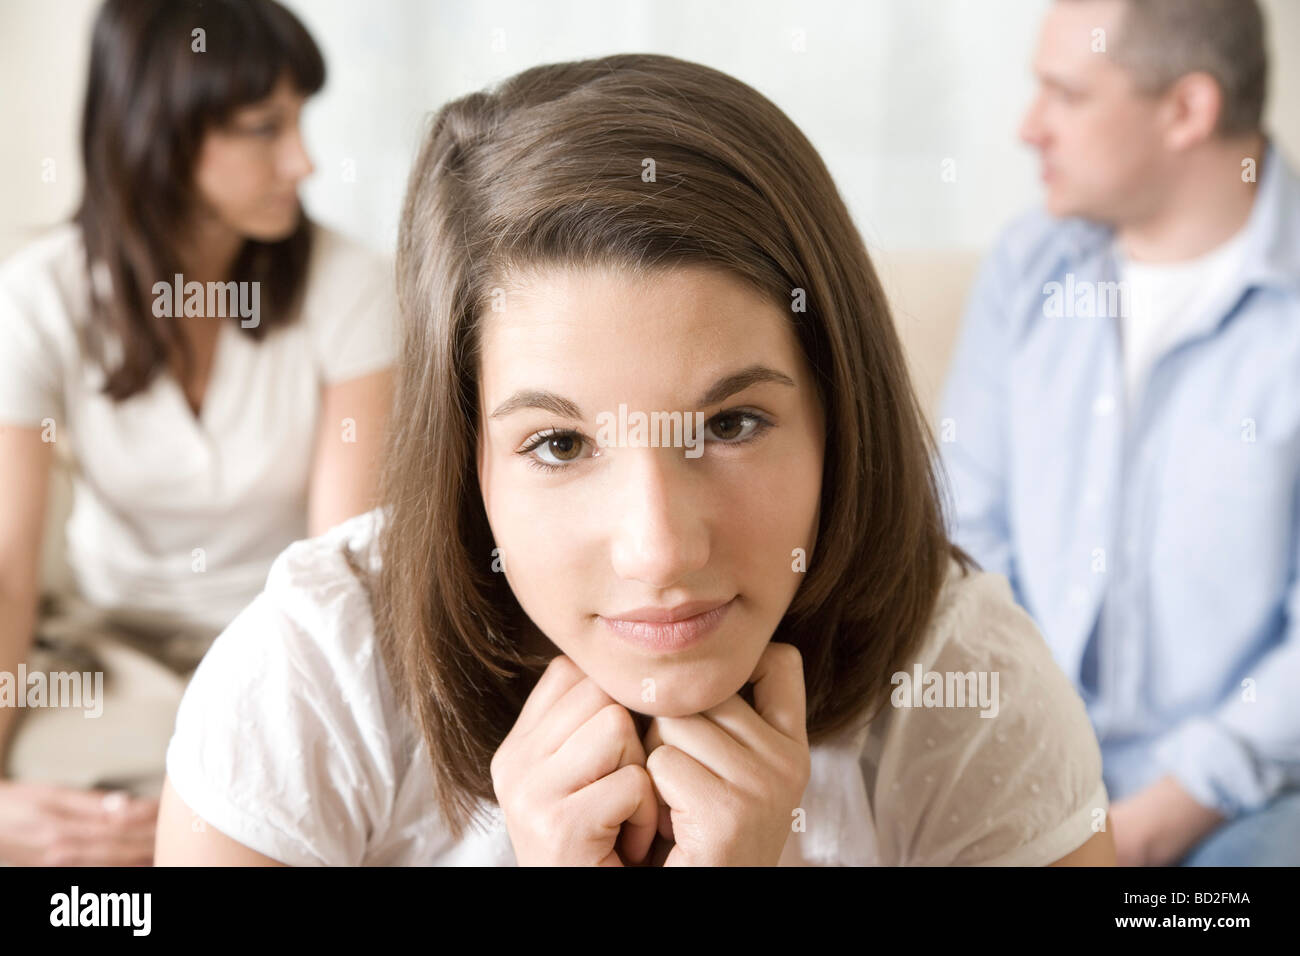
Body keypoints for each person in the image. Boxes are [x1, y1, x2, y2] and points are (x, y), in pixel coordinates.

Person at [155, 52, 1114, 867]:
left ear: (838, 414)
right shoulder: (314, 672)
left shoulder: (969, 686)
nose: (658, 552)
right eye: (560, 444)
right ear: (465, 460)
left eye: (731, 425)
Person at [0, 0, 395, 866]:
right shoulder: (36, 302)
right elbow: (6, 570)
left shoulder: (353, 289)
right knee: (69, 820)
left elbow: (347, 568)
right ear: (157, 134)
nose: (303, 160)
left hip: (282, 646)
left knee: (256, 809)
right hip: (111, 654)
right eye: (264, 128)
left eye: (300, 121)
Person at [939, 0, 1300, 865]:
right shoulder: (1028, 269)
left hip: (1243, 796)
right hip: (1021, 760)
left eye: (1066, 95)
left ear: (1187, 110)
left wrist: (1152, 821)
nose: (1030, 128)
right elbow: (961, 538)